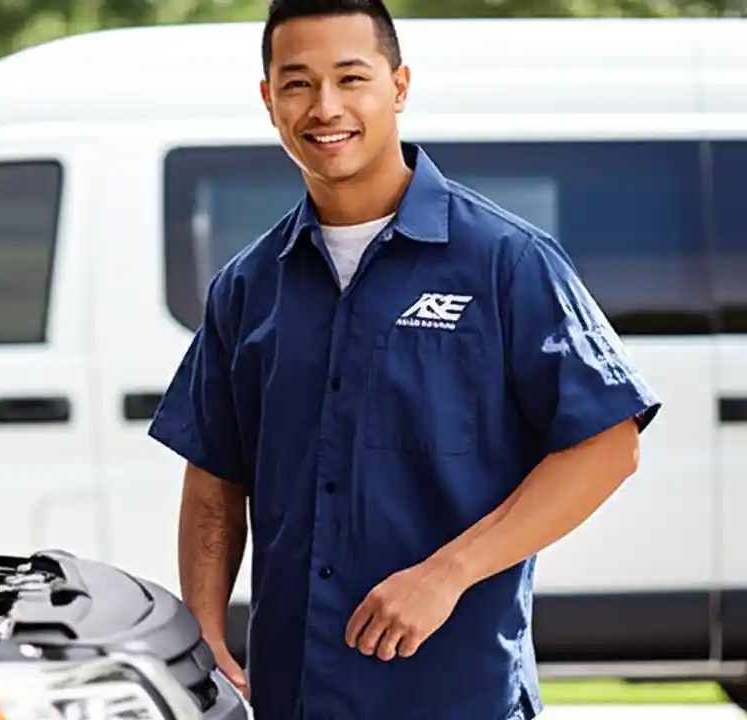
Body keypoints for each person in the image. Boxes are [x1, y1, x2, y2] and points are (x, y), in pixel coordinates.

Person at [146, 0, 663, 718]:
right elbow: (214, 476)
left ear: (400, 85)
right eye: (297, 84)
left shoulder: (506, 263)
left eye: (350, 78)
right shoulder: (247, 286)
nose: (325, 107)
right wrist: (202, 633)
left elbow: (608, 446)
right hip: (296, 693)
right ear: (269, 101)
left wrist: (447, 574)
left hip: (458, 692)